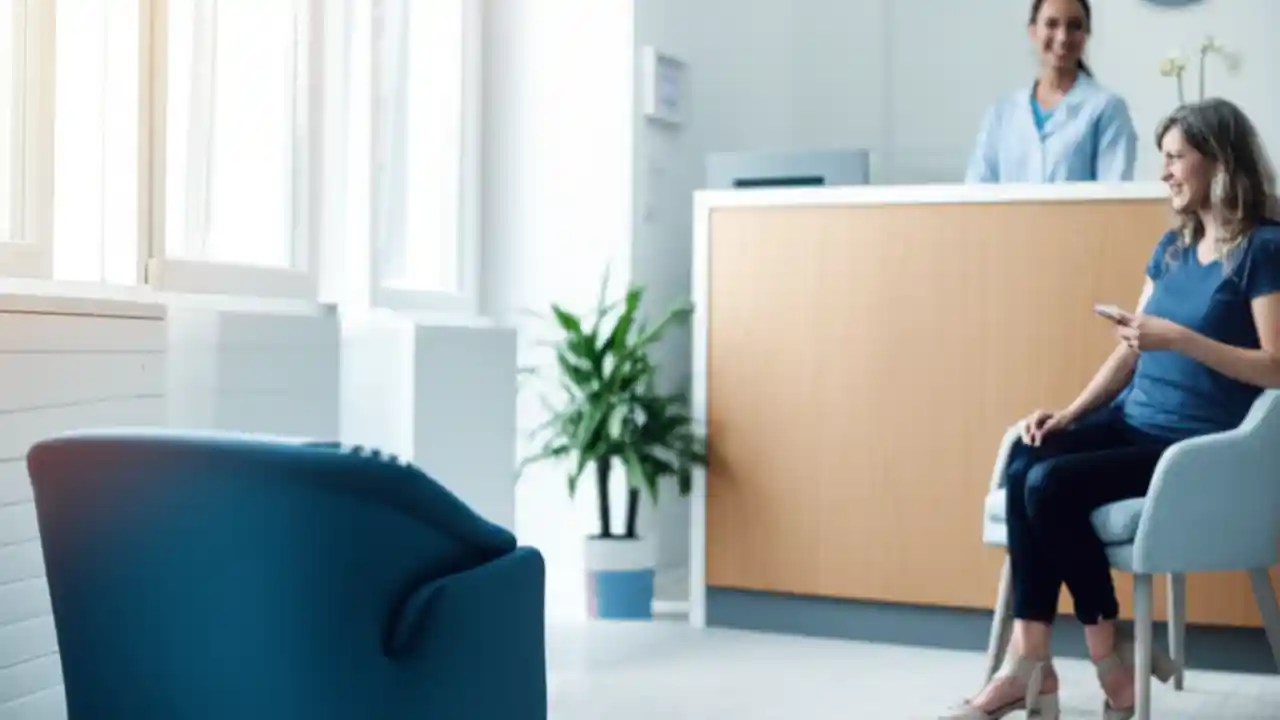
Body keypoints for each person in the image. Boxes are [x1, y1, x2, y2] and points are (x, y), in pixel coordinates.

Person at [944, 98, 1280, 720]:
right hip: (1132, 420)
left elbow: (1275, 366)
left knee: (1049, 485)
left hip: (1191, 447)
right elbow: (1130, 350)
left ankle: (1104, 659)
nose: (1166, 172)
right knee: (1030, 450)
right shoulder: (1174, 247)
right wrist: (1069, 415)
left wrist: (1179, 339)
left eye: (1177, 157)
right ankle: (1033, 665)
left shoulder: (1263, 248)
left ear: (1220, 162)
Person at [965, 0, 1138, 184]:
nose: (1063, 37)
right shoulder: (1002, 113)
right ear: (1033, 31)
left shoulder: (1106, 109)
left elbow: (1113, 197)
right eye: (1051, 24)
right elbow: (977, 191)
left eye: (1075, 26)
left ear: (1087, 34)